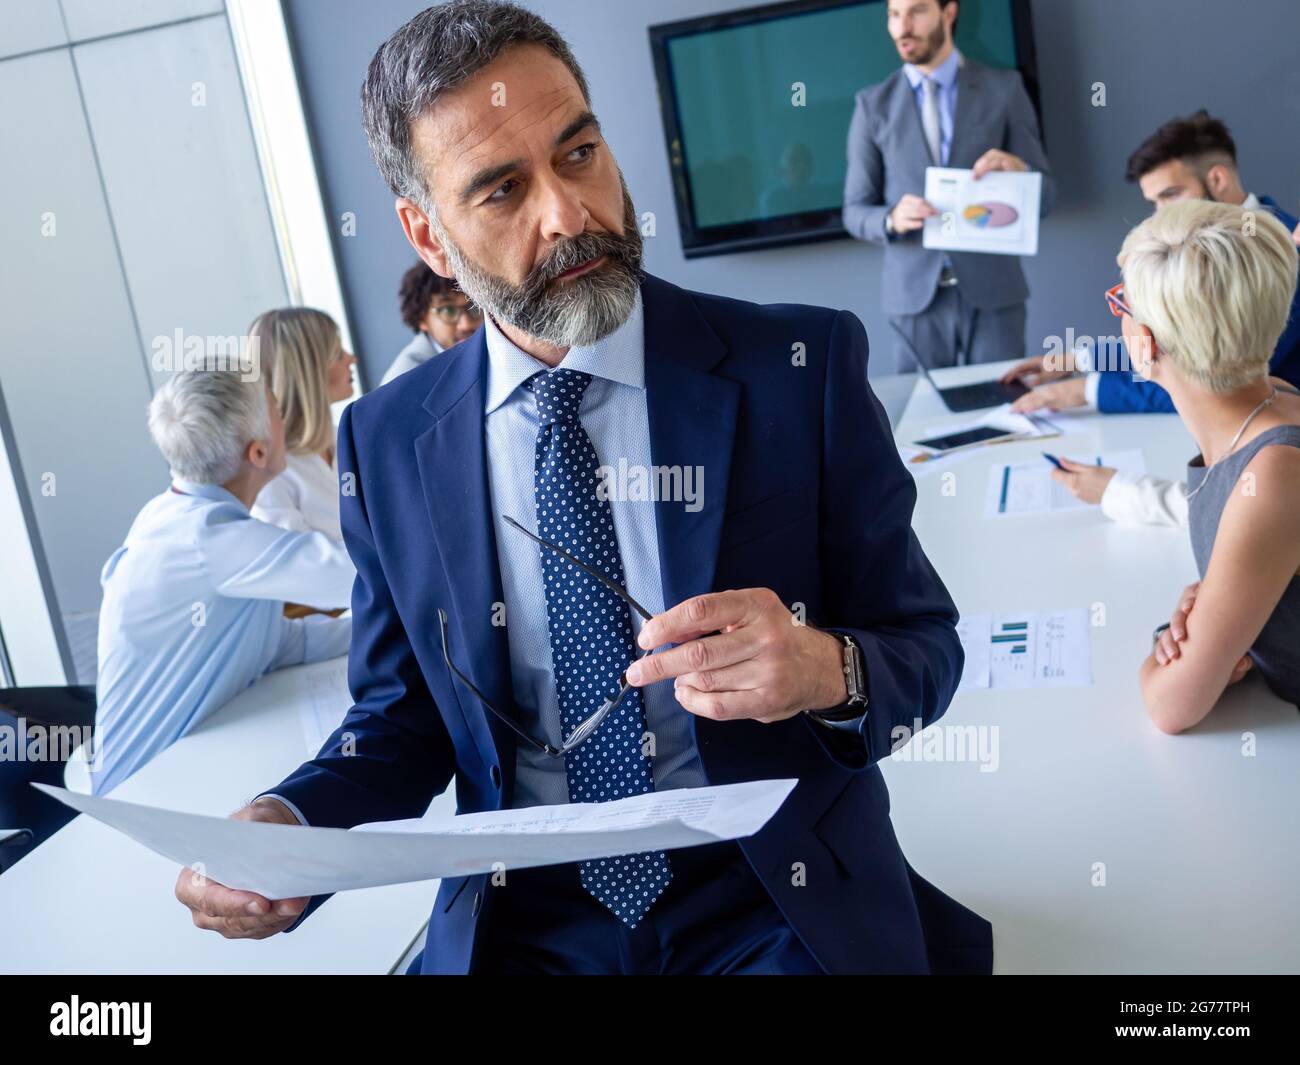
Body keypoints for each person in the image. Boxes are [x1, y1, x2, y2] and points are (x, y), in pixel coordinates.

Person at [176, 0, 987, 976]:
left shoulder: (797, 369)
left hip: (772, 892)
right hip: (527, 914)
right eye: (501, 190)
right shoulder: (387, 441)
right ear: (428, 238)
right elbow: (398, 723)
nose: (569, 214)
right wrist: (290, 818)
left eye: (577, 153)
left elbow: (925, 647)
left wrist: (829, 670)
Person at [93, 369, 355, 795]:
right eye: (274, 410)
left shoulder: (170, 515)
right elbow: (353, 576)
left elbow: (275, 644)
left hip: (179, 770)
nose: (284, 418)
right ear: (257, 453)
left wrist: (369, 630)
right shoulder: (207, 539)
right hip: (146, 792)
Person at [1095, 202, 1300, 730]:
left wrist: (1160, 654)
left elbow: (1171, 707)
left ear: (1145, 344)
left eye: (1122, 305)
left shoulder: (1273, 471)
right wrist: (1217, 609)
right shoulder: (1276, 397)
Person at [1005, 111, 1300, 417]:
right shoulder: (1203, 247)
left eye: (1170, 195)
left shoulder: (1285, 254)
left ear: (1217, 179)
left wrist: (1085, 390)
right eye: (1154, 203)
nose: (1160, 215)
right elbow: (1175, 338)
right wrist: (1077, 361)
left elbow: (1221, 380)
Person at [843, 0, 1054, 373]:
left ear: (949, 12)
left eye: (916, 11)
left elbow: (1047, 196)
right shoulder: (871, 105)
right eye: (894, 15)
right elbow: (855, 211)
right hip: (913, 297)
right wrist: (891, 218)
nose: (902, 27)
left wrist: (1022, 173)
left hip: (994, 292)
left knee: (1003, 415)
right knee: (918, 421)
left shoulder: (1004, 89)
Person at [248, 308, 357, 544]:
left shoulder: (345, 439)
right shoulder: (270, 473)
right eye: (338, 354)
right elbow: (298, 565)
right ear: (309, 372)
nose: (352, 359)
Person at [380, 262, 483, 383]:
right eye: (448, 311)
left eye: (474, 306)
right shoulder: (407, 379)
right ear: (422, 318)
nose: (466, 324)